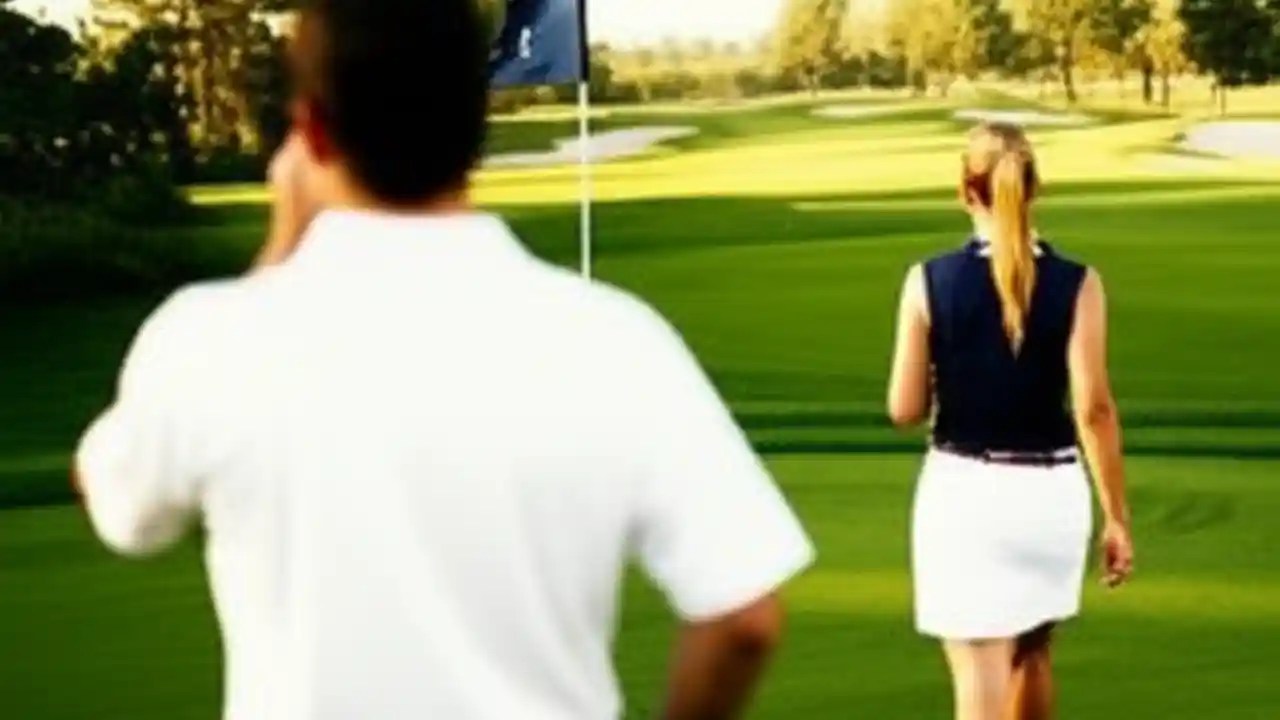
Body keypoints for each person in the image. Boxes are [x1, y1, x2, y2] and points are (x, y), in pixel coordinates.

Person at [72, 1, 814, 718]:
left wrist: (277, 252)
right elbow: (745, 621)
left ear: (312, 134)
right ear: (476, 122)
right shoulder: (618, 339)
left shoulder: (213, 338)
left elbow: (117, 500)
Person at [886, 122, 1135, 720]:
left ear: (964, 190)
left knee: (980, 666)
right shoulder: (1081, 282)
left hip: (967, 492)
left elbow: (904, 408)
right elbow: (1094, 409)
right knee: (1031, 655)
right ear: (1034, 189)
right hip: (1052, 495)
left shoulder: (928, 281)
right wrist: (1117, 518)